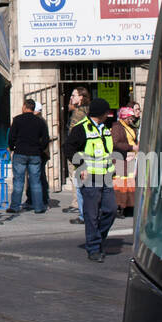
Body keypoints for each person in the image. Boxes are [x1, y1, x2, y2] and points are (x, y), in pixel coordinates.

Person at [65, 98, 117, 262]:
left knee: (111, 210)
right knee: (92, 215)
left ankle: (98, 238)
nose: (109, 115)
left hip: (106, 176)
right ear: (101, 114)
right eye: (107, 112)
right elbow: (68, 148)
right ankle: (94, 248)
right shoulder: (81, 129)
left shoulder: (106, 128)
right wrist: (81, 166)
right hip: (90, 179)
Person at [8, 99, 48, 214]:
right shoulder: (40, 121)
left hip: (20, 152)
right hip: (35, 153)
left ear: (25, 107)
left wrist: (12, 147)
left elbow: (11, 137)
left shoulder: (17, 120)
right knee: (35, 181)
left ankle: (15, 207)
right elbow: (45, 139)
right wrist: (39, 149)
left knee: (18, 181)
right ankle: (39, 207)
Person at [63, 87, 91, 221]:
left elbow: (72, 134)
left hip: (77, 151)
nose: (71, 98)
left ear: (81, 97)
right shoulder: (87, 111)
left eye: (74, 95)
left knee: (77, 180)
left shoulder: (78, 114)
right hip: (84, 151)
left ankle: (77, 206)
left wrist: (69, 149)